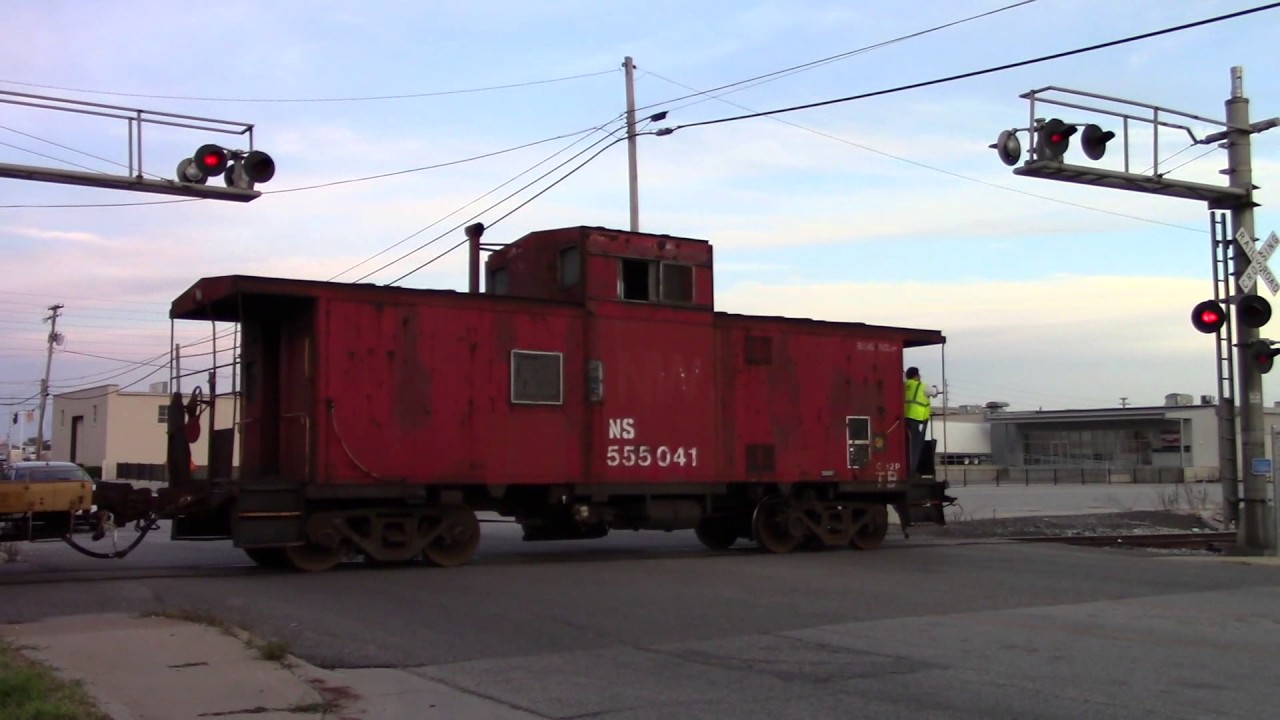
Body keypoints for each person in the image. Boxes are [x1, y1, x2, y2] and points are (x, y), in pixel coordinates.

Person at [903, 367, 937, 478]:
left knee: (906, 445)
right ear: (916, 376)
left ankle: (906, 468)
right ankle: (912, 471)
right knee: (916, 446)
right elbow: (934, 392)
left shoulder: (903, 385)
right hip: (916, 418)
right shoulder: (921, 386)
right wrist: (936, 389)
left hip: (904, 418)